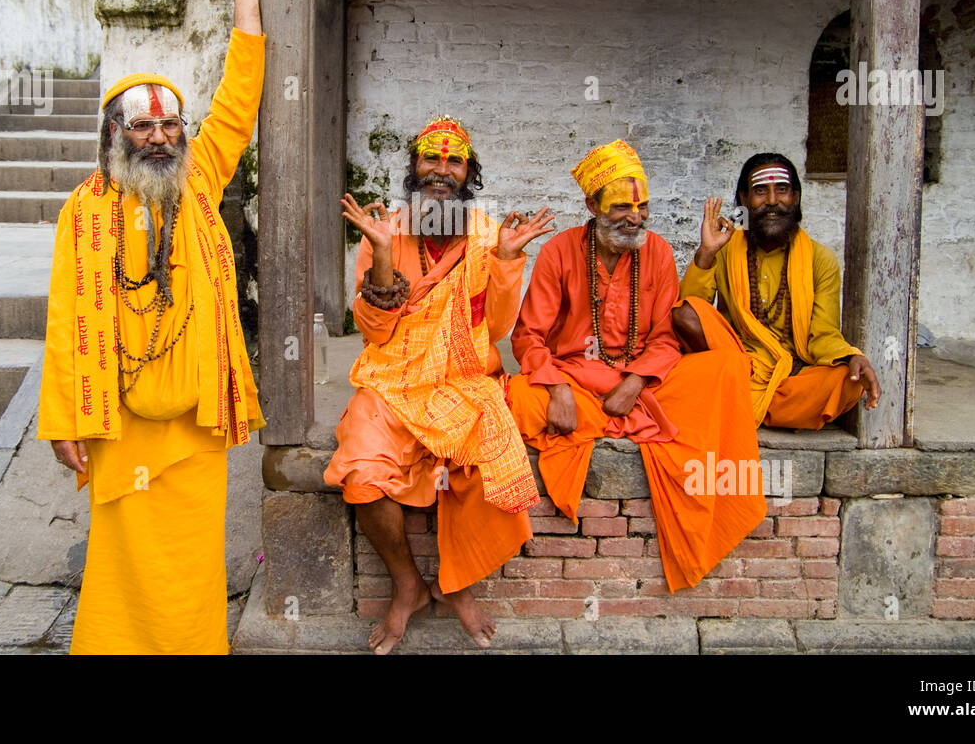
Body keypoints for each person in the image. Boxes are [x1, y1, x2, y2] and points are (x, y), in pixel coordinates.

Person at [37, 0, 264, 654]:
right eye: (143, 126)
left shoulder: (198, 186)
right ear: (115, 135)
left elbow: (236, 106)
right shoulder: (86, 208)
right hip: (121, 416)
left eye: (169, 126)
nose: (159, 137)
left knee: (191, 563)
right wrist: (62, 420)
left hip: (195, 422)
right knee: (126, 563)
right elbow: (65, 320)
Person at [324, 116, 553, 654]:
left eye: (454, 161)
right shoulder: (385, 229)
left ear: (468, 172)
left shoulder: (490, 238)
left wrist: (507, 260)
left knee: (488, 464)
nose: (441, 171)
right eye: (431, 159)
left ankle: (457, 588)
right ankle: (409, 586)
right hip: (394, 384)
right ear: (414, 167)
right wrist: (381, 255)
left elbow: (495, 330)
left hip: (462, 382)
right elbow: (374, 330)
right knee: (360, 470)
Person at [506, 140, 766, 592]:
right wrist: (558, 389)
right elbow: (528, 336)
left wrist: (635, 382)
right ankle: (607, 417)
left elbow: (666, 336)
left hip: (645, 382)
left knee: (725, 367)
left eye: (643, 206)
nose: (636, 217)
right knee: (519, 399)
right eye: (623, 206)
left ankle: (628, 421)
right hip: (576, 380)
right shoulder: (559, 252)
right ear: (592, 204)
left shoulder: (659, 252)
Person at [673, 153, 881, 430]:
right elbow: (692, 311)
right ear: (744, 200)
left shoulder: (820, 259)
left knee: (846, 380)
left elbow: (824, 334)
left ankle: (737, 403)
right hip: (738, 362)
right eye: (760, 191)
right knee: (685, 315)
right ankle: (770, 409)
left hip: (793, 371)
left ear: (795, 197)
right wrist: (706, 253)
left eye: (781, 190)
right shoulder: (724, 249)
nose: (772, 201)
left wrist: (851, 355)